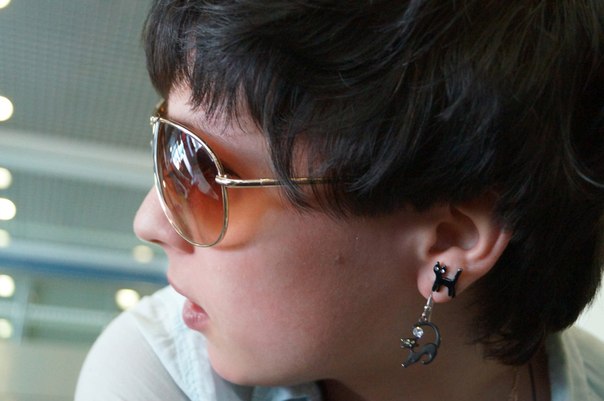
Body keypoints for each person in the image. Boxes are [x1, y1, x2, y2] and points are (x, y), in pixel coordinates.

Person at [75, 1, 604, 400]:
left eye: (206, 172)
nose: (149, 220)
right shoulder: (160, 373)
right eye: (169, 147)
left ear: (450, 241)